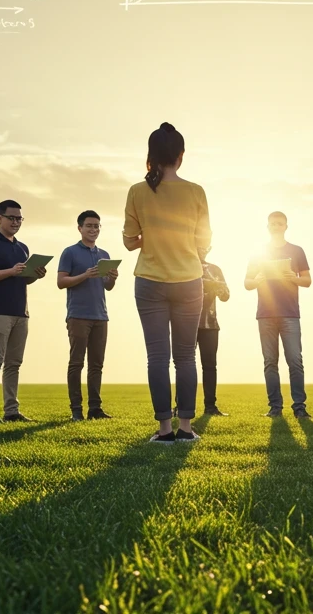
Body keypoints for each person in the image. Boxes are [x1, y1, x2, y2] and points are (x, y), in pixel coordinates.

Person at [123, 123, 211, 444]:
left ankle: (163, 431)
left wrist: (151, 235)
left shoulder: (137, 191)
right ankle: (186, 429)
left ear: (151, 156)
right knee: (186, 357)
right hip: (189, 281)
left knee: (157, 358)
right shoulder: (196, 191)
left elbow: (130, 241)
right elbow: (204, 242)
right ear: (181, 155)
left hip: (149, 281)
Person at [0, 200, 47, 425]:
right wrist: (11, 271)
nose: (16, 222)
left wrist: (35, 273)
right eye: (12, 218)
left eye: (19, 218)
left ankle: (11, 411)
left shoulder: (22, 247)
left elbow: (23, 278)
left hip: (21, 312)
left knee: (14, 363)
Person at [245, 212, 312, 419]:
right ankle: (275, 407)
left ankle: (299, 407)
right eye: (272, 223)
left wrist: (294, 278)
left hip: (289, 314)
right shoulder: (258, 253)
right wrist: (258, 280)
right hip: (265, 315)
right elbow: (247, 283)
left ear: (286, 226)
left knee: (295, 360)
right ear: (267, 226)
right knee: (270, 362)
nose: (276, 226)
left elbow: (307, 280)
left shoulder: (297, 251)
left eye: (279, 223)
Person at [57, 210, 118, 421]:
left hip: (101, 316)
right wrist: (85, 275)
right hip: (78, 315)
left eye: (97, 226)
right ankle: (76, 409)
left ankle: (95, 409)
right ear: (80, 228)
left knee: (96, 365)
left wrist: (112, 278)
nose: (93, 229)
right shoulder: (70, 252)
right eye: (89, 226)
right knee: (76, 363)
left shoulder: (104, 255)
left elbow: (107, 287)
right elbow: (61, 282)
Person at [197, 258, 229, 416]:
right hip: (186, 323)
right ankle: (180, 406)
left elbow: (225, 296)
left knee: (210, 366)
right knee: (183, 365)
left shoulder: (215, 268)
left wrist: (218, 287)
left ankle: (210, 407)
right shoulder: (183, 265)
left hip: (210, 323)